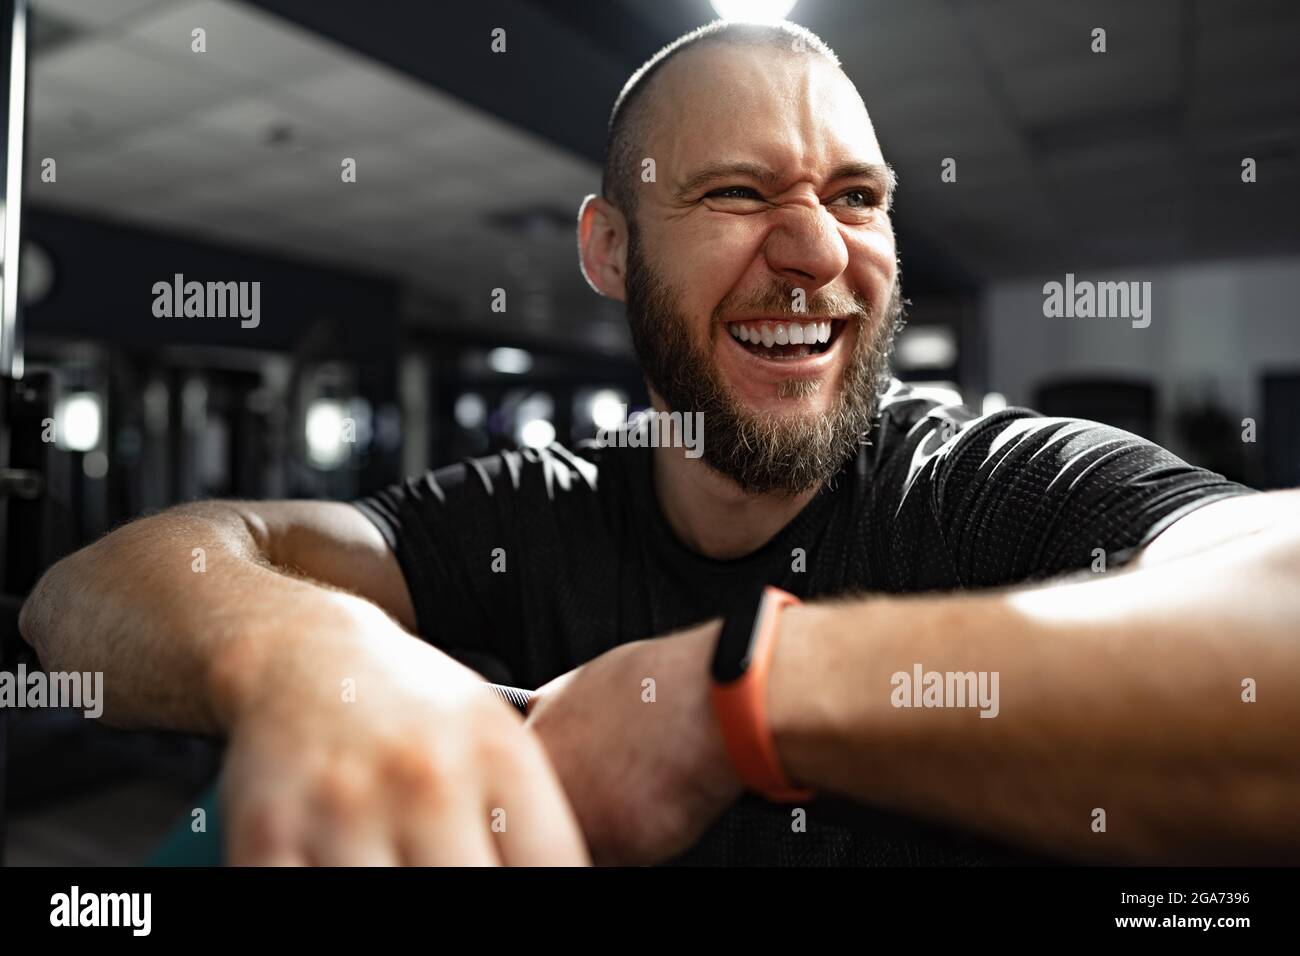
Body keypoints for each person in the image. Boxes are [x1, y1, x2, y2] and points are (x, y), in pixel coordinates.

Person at [20, 20, 1300, 866]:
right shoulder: (536, 512)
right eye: (739, 192)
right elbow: (96, 590)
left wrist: (724, 700)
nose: (814, 251)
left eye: (856, 197)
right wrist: (314, 655)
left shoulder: (978, 493)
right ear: (610, 248)